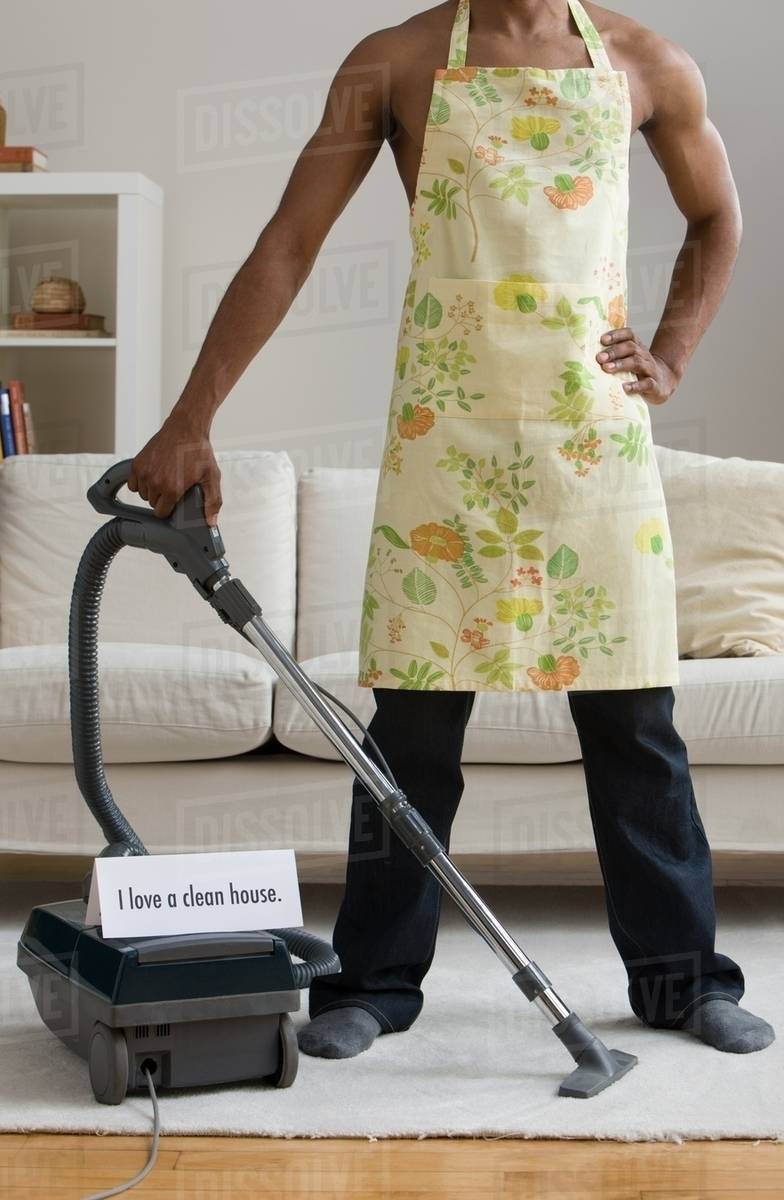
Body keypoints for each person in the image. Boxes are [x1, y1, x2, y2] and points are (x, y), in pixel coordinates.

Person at [129, 0, 775, 1060]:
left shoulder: (648, 64)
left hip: (590, 441)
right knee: (413, 731)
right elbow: (290, 244)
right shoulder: (392, 62)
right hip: (447, 432)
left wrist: (670, 355)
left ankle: (683, 982)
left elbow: (717, 216)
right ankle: (373, 984)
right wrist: (190, 417)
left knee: (634, 724)